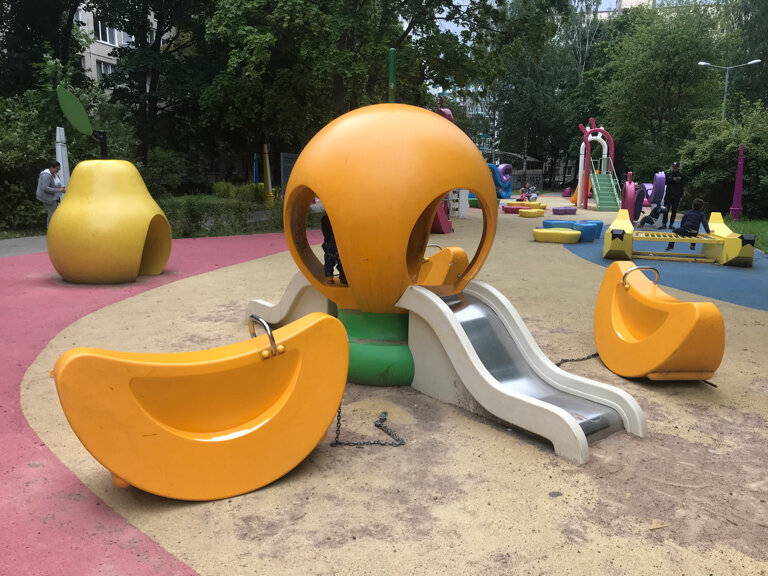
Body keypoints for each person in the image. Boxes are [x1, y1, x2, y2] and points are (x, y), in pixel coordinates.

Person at [36, 160, 66, 227]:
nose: (57, 171)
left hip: (53, 197)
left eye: (59, 169)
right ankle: (52, 228)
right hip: (46, 197)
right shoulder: (46, 175)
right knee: (53, 213)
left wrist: (65, 191)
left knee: (52, 213)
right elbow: (45, 188)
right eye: (57, 169)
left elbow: (58, 186)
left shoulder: (55, 175)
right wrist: (59, 190)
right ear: (51, 167)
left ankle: (50, 228)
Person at [321, 214, 346, 284]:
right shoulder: (341, 237)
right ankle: (344, 276)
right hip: (351, 273)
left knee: (329, 261)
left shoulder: (328, 243)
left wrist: (329, 278)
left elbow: (328, 263)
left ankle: (330, 279)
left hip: (346, 276)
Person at [660, 161, 686, 228]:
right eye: (674, 167)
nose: (675, 168)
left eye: (676, 167)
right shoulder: (668, 174)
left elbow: (682, 186)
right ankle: (664, 224)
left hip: (677, 195)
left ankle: (671, 224)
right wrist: (672, 179)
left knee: (674, 210)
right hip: (669, 194)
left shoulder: (681, 175)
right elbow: (665, 183)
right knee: (665, 209)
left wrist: (681, 195)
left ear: (678, 167)